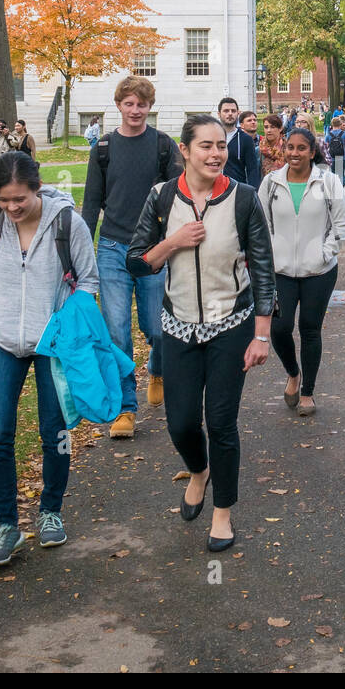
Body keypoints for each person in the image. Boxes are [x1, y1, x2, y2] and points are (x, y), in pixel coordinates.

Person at [126, 114, 276, 553]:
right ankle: (198, 471)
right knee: (182, 423)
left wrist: (261, 334)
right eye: (206, 146)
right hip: (179, 326)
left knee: (222, 423)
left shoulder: (244, 198)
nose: (216, 154)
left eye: (221, 146)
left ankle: (223, 513)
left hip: (232, 324)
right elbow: (137, 261)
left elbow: (263, 269)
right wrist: (172, 242)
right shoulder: (160, 198)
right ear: (185, 151)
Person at [0, 151, 100, 566]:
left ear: (37, 188)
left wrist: (65, 323)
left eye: (19, 198)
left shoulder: (68, 223)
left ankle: (51, 512)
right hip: (4, 341)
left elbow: (88, 280)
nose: (12, 208)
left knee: (53, 430)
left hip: (51, 345)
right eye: (4, 200)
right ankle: (7, 525)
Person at [82, 76, 182, 438]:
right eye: (129, 104)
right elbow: (92, 202)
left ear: (149, 107)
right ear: (119, 106)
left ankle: (156, 367)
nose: (135, 110)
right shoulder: (104, 148)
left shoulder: (163, 146)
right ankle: (125, 408)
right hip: (111, 248)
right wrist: (80, 252)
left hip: (154, 250)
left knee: (156, 328)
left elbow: (179, 195)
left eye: (141, 104)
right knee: (116, 332)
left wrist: (175, 241)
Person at [258, 128, 345, 416]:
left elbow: (341, 222)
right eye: (289, 148)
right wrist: (269, 255)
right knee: (280, 328)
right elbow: (260, 224)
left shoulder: (328, 181)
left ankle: (308, 391)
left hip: (319, 272)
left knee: (310, 329)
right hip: (280, 271)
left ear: (312, 152)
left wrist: (325, 253)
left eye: (301, 148)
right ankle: (293, 374)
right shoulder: (271, 183)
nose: (294, 153)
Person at [218, 96, 260, 185]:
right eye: (226, 111)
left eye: (233, 111)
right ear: (219, 114)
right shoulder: (211, 137)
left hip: (237, 190)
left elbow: (252, 170)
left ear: (238, 113)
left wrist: (253, 194)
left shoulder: (246, 139)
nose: (230, 114)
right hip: (212, 190)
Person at [325, 115, 345, 186]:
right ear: (340, 124)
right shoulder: (344, 134)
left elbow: (325, 148)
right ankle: (341, 189)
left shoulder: (328, 135)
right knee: (343, 175)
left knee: (333, 175)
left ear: (332, 124)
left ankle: (334, 189)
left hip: (332, 158)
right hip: (342, 157)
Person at [259, 113, 287, 179]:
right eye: (266, 127)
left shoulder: (287, 148)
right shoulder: (259, 150)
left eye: (272, 127)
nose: (269, 130)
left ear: (280, 129)